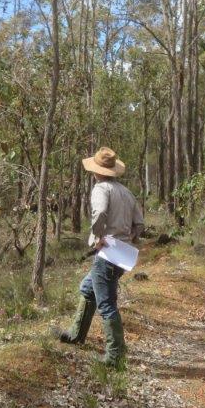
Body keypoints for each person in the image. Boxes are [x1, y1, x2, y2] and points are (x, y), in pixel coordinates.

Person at [54, 147, 144, 367]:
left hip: (107, 253)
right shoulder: (126, 192)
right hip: (120, 254)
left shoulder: (101, 189)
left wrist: (99, 236)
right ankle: (76, 335)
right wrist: (127, 238)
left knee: (106, 303)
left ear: (97, 171)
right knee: (88, 289)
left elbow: (100, 212)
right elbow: (140, 223)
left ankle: (115, 356)